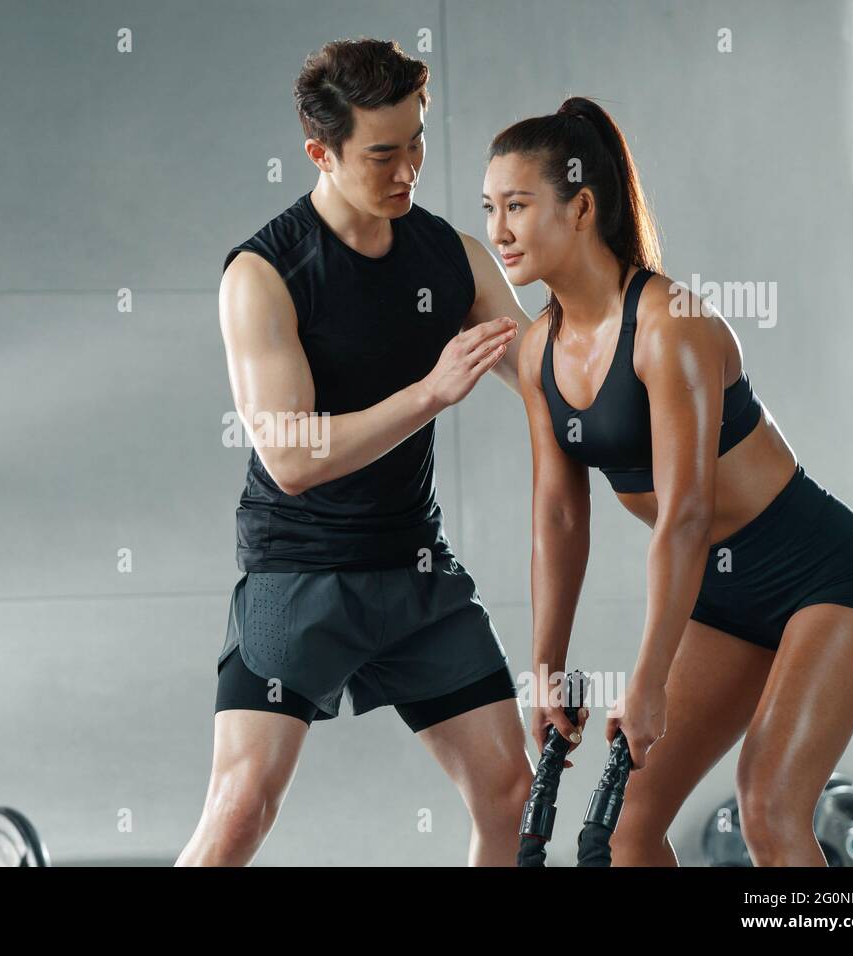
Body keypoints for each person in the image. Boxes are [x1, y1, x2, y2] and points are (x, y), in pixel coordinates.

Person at [485, 96, 853, 866]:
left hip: (826, 579)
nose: (498, 231)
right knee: (629, 828)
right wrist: (545, 672)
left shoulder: (667, 324)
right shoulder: (540, 349)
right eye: (490, 209)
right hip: (720, 589)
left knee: (768, 808)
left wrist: (646, 681)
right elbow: (559, 517)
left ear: (581, 207)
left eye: (517, 205)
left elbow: (685, 512)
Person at [177, 38, 534, 866]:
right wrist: (430, 393)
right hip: (300, 569)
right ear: (321, 154)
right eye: (382, 154)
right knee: (240, 812)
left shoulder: (449, 255)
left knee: (509, 792)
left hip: (414, 569)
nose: (408, 170)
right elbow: (292, 459)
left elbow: (546, 378)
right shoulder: (265, 273)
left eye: (417, 142)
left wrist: (643, 333)